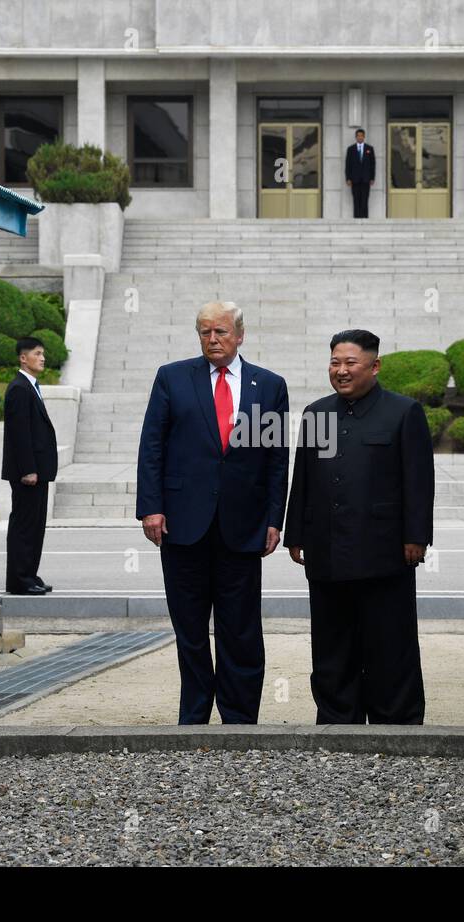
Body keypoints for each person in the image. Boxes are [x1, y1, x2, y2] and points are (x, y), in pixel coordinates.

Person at [136, 302, 289, 724]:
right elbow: (152, 447)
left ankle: (240, 718)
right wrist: (151, 507)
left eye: (220, 332)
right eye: (204, 332)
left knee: (240, 629)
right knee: (190, 630)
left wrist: (275, 518)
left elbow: (277, 458)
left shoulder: (269, 385)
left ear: (240, 335)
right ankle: (194, 714)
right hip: (183, 525)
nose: (212, 340)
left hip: (243, 527)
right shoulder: (172, 378)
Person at [285, 329, 434, 724]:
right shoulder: (317, 413)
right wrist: (295, 533)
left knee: (389, 642)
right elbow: (303, 477)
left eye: (350, 362)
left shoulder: (403, 412)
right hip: (327, 550)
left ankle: (396, 721)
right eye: (335, 362)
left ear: (374, 365)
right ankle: (337, 718)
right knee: (332, 643)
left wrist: (416, 536)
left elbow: (419, 481)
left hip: (384, 551)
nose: (341, 370)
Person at [2, 337, 57, 595]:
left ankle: (30, 575)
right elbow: (19, 433)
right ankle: (18, 580)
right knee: (24, 526)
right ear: (23, 358)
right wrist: (28, 469)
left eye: (43, 353)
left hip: (38, 472)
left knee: (35, 527)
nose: (42, 358)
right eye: (37, 353)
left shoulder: (31, 386)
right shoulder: (19, 388)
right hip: (28, 474)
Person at [345, 129, 375, 219]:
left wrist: (372, 178)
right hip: (355, 179)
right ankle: (356, 219)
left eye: (361, 136)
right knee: (356, 199)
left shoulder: (369, 149)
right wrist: (348, 178)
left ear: (364, 137)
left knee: (365, 199)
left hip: (366, 179)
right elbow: (348, 164)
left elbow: (372, 164)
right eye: (358, 136)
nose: (360, 137)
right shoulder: (351, 149)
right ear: (356, 137)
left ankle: (365, 218)